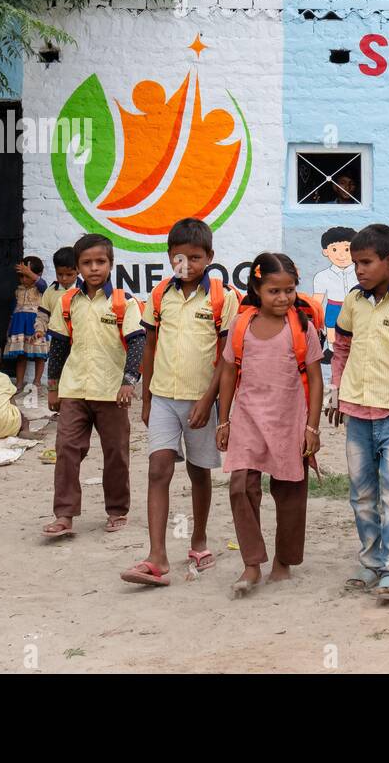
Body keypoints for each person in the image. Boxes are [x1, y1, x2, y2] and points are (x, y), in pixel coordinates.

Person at [123, 218, 239, 586]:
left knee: (198, 471)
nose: (185, 264)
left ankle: (199, 539)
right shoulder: (159, 296)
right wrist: (146, 396)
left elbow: (227, 357)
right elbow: (151, 347)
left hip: (201, 401)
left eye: (195, 257)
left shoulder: (224, 297)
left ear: (210, 257)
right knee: (158, 469)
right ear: (169, 257)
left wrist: (210, 402)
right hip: (163, 399)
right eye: (178, 257)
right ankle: (157, 556)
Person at [327, 223, 389, 602]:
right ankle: (370, 561)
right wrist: (337, 393)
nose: (359, 271)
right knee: (362, 493)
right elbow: (340, 349)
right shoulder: (353, 300)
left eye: (366, 263)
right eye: (355, 264)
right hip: (356, 414)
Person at [216, 253, 324, 595]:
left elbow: (317, 380)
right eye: (274, 291)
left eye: (289, 290)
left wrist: (312, 428)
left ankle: (283, 561)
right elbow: (229, 373)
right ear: (257, 290)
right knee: (240, 487)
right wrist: (223, 421)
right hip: (247, 418)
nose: (283, 298)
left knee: (290, 492)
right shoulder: (241, 326)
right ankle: (251, 563)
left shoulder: (302, 327)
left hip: (289, 421)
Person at [41, 234, 145, 539]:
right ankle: (64, 514)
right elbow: (58, 348)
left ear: (111, 264)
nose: (94, 268)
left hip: (111, 391)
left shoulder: (123, 302)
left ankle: (116, 509)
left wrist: (128, 381)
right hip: (74, 389)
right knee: (67, 450)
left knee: (115, 452)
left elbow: (137, 343)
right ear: (78, 268)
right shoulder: (66, 302)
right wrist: (52, 386)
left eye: (100, 262)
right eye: (87, 263)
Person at [6, 256, 49, 392]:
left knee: (39, 355)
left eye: (27, 276)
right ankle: (19, 383)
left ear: (38, 275)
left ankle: (37, 382)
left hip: (36, 325)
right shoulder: (18, 290)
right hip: (19, 326)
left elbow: (43, 285)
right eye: (21, 276)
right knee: (21, 355)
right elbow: (14, 311)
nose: (24, 279)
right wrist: (9, 327)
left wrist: (32, 274)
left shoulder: (40, 288)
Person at [311, 227, 358, 347]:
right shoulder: (321, 276)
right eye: (335, 249)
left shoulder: (361, 272)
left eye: (347, 249)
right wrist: (313, 319)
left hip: (356, 307)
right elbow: (317, 301)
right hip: (334, 307)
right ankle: (331, 350)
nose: (341, 255)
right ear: (326, 252)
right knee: (331, 329)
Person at [35, 247, 78, 349]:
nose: (64, 278)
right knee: (56, 365)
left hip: (80, 340)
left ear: (79, 270)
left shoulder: (85, 290)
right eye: (59, 274)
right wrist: (40, 330)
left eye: (69, 274)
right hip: (57, 338)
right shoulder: (50, 291)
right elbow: (43, 315)